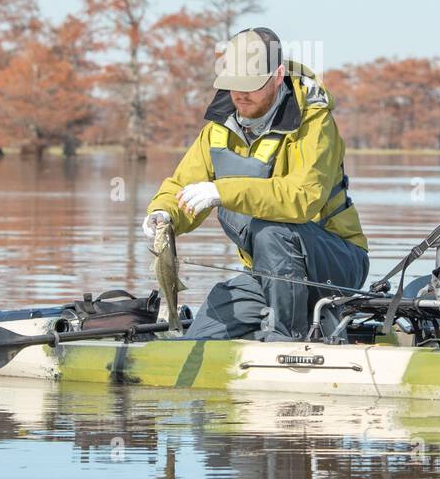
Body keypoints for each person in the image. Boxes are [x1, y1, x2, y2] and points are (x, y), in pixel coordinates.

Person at [142, 28, 368, 341]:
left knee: (271, 231)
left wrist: (223, 192)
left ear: (278, 76)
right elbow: (181, 186)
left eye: (251, 85)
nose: (240, 94)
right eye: (233, 84)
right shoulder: (217, 130)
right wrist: (163, 214)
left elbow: (301, 199)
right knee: (202, 335)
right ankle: (259, 334)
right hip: (267, 273)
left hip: (336, 265)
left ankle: (288, 341)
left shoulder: (316, 124)